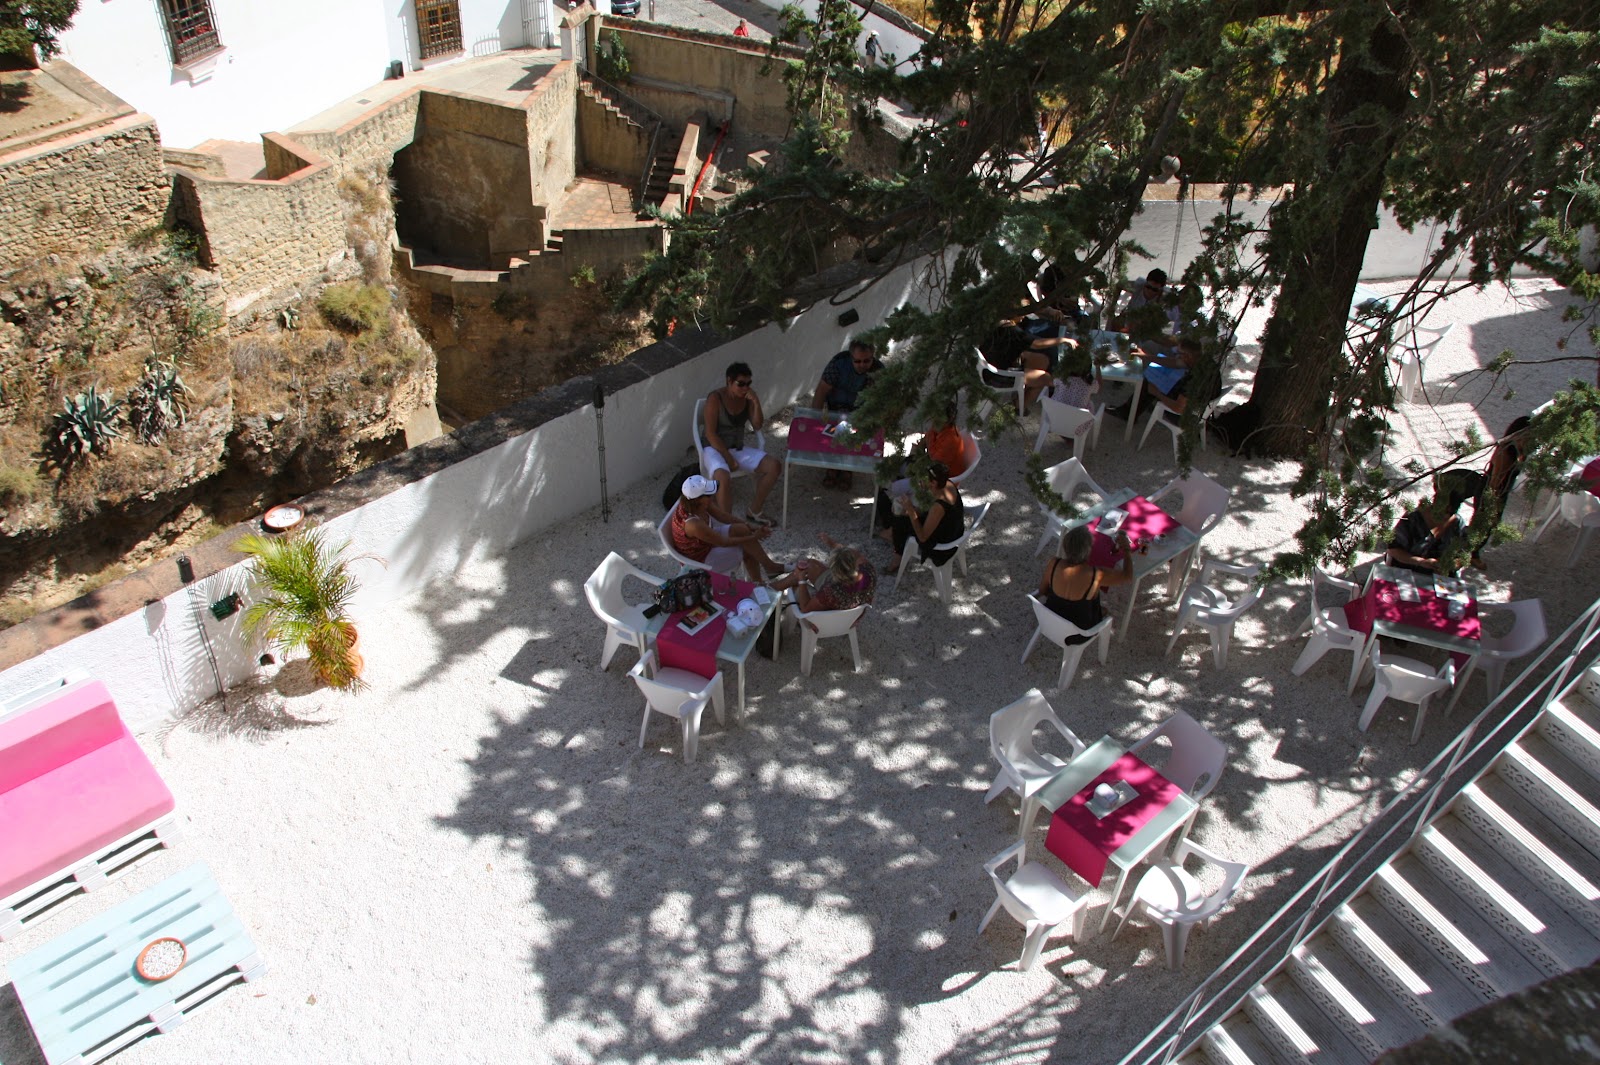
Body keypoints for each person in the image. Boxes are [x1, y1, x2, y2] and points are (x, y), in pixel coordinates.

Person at [703, 362, 782, 524]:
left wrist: (755, 400)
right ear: (729, 381)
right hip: (714, 448)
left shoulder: (746, 399)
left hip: (736, 447)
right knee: (723, 477)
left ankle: (755, 510)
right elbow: (710, 434)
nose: (745, 388)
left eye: (748, 384)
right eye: (741, 384)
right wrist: (728, 458)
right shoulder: (715, 398)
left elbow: (758, 425)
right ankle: (728, 526)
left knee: (774, 466)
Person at [669, 475, 785, 581]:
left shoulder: (696, 503)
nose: (712, 496)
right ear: (698, 499)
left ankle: (769, 569)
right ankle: (761, 581)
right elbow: (724, 542)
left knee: (742, 530)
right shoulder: (693, 524)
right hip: (699, 560)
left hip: (703, 543)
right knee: (747, 549)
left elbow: (722, 516)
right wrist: (755, 536)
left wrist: (749, 526)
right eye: (708, 494)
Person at [1037, 525, 1133, 640]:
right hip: (1078, 633)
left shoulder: (1054, 563)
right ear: (1088, 550)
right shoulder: (1096, 574)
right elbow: (1127, 576)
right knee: (1098, 604)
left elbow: (1043, 590)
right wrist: (1127, 549)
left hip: (1051, 618)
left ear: (1066, 547)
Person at [878, 461, 965, 572]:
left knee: (901, 522)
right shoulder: (948, 484)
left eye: (926, 479)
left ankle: (897, 558)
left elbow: (923, 537)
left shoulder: (939, 506)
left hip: (943, 546)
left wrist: (911, 510)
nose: (922, 481)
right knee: (904, 519)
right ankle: (896, 541)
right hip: (954, 530)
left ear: (933, 483)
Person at [981, 319, 1078, 412]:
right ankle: (1019, 407)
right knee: (1046, 378)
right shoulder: (1014, 331)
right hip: (996, 376)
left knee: (1042, 360)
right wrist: (1063, 340)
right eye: (1022, 315)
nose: (1023, 317)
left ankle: (1020, 395)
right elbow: (1037, 344)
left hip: (985, 367)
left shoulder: (998, 323)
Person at [770, 533, 877, 613]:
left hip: (829, 616)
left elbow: (806, 609)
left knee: (796, 584)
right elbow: (855, 555)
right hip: (852, 608)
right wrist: (833, 544)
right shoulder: (868, 571)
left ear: (835, 571)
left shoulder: (831, 591)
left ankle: (769, 590)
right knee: (811, 565)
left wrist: (801, 580)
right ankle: (772, 587)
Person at [1106, 335, 1200, 423]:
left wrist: (1156, 393)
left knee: (1150, 382)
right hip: (1193, 405)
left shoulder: (1192, 380)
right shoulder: (1198, 362)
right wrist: (1146, 356)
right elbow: (1174, 363)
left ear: (1188, 356)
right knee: (1155, 375)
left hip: (1182, 417)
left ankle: (1128, 413)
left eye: (1179, 353)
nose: (1177, 355)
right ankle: (1131, 410)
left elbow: (1179, 408)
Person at [1386, 495, 1463, 575]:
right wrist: (1421, 562)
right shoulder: (1413, 517)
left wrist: (1447, 565)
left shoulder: (1457, 524)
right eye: (1443, 511)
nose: (1445, 516)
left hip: (1440, 578)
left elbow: (1463, 557)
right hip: (1407, 571)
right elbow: (1393, 549)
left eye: (1450, 513)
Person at [813, 340, 882, 414]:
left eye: (866, 361)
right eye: (857, 361)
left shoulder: (878, 370)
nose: (862, 365)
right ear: (851, 358)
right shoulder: (839, 363)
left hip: (860, 414)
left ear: (873, 358)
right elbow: (821, 391)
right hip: (833, 409)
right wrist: (815, 417)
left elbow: (880, 401)